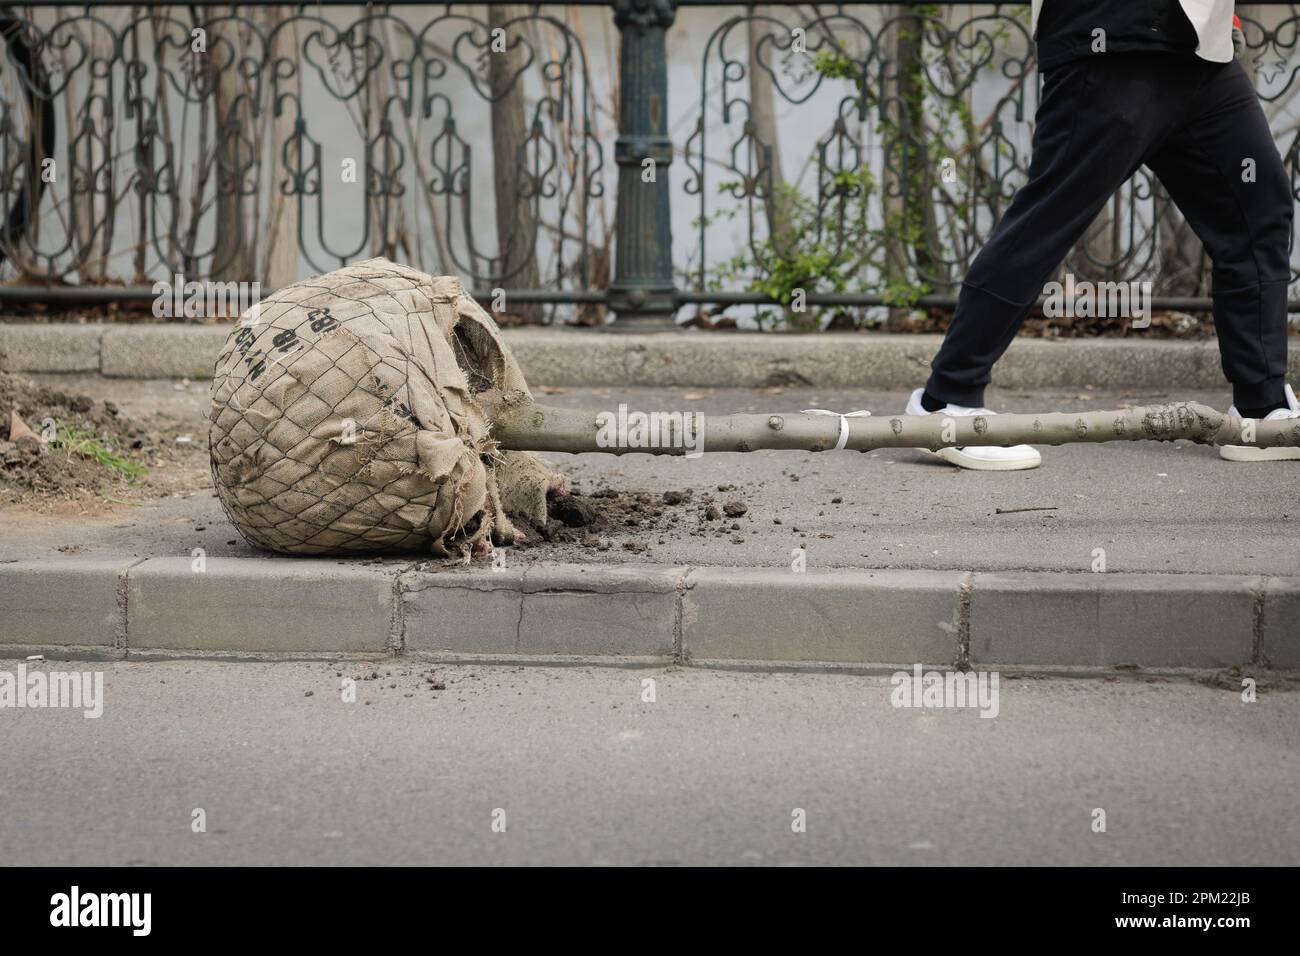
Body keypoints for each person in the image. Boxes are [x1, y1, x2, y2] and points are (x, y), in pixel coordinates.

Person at [906, 1, 1300, 469]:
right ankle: (944, 404)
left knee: (1257, 208)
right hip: (1114, 35)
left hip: (1201, 53)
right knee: (1049, 219)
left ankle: (1259, 411)